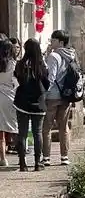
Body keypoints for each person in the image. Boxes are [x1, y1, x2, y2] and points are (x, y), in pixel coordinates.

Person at [42, 30, 78, 167]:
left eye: (53, 40)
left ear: (60, 42)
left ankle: (46, 157)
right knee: (64, 127)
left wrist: (44, 94)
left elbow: (50, 77)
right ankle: (64, 157)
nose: (51, 42)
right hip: (66, 95)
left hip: (52, 96)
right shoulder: (72, 55)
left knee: (47, 127)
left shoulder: (54, 56)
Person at [13, 39, 49, 172]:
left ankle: (22, 164)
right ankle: (37, 163)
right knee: (37, 133)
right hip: (38, 103)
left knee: (22, 133)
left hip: (21, 102)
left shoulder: (20, 64)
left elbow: (17, 79)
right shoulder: (41, 65)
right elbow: (47, 83)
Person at [0, 39, 17, 168]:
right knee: (10, 127)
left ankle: (3, 158)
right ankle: (16, 151)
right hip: (9, 97)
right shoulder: (13, 65)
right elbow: (16, 83)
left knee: (0, 131)